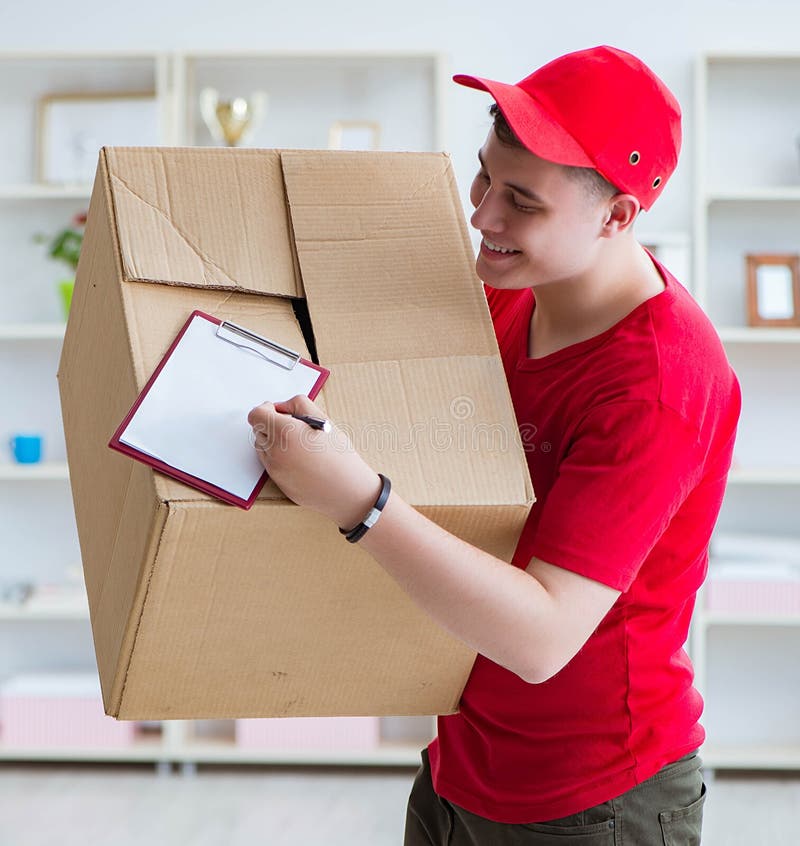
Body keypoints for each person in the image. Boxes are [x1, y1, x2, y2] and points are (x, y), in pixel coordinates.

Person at [247, 45, 741, 845]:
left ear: (617, 216)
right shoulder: (505, 297)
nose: (482, 216)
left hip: (592, 800)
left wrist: (358, 502)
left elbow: (543, 639)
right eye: (483, 177)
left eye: (522, 201)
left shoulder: (660, 387)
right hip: (461, 758)